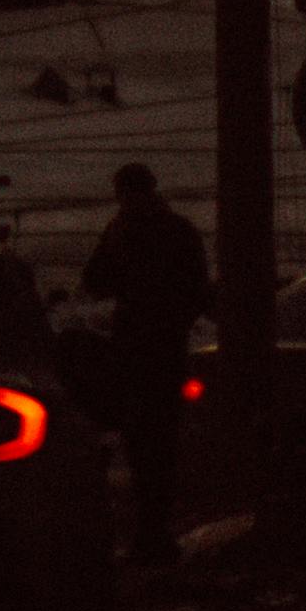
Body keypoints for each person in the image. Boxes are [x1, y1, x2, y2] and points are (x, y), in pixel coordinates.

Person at [83, 162, 212, 564]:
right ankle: (156, 532)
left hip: (137, 348)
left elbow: (94, 280)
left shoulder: (122, 231)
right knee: (160, 441)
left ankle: (150, 534)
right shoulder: (178, 230)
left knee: (142, 442)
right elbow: (198, 288)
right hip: (164, 347)